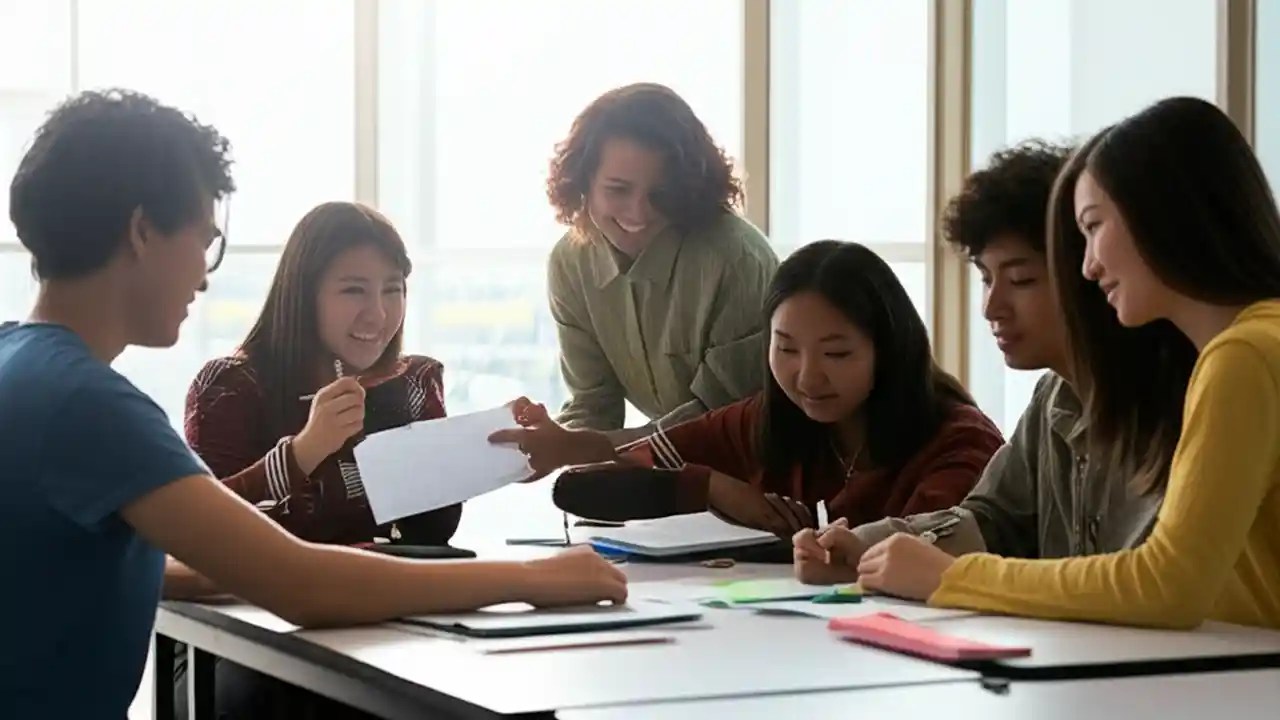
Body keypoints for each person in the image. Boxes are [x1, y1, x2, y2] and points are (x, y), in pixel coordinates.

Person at [0, 89, 626, 719]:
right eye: (203, 242)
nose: (204, 275)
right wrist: (533, 578)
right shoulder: (93, 406)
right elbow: (301, 585)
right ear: (141, 232)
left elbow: (89, 564)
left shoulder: (17, 366)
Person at [843, 97, 1280, 630]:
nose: (1089, 266)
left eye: (1094, 227)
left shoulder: (1242, 357)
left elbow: (1168, 584)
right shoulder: (1249, 345)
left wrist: (951, 578)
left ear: (1160, 216)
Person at [793, 139, 1175, 584]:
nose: (992, 307)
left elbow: (1146, 582)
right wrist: (865, 546)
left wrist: (956, 579)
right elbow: (990, 520)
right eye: (986, 278)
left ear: (1091, 269)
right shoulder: (1054, 397)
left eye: (1021, 280)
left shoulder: (1171, 399)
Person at [494, 241, 1003, 536]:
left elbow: (927, 552)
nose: (807, 377)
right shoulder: (768, 417)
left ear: (890, 349)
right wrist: (714, 488)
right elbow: (584, 486)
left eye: (837, 354)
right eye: (785, 348)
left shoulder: (957, 439)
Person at [185, 201, 461, 546]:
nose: (377, 314)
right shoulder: (230, 386)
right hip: (264, 598)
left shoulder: (413, 380)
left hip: (385, 592)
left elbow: (432, 533)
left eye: (393, 289)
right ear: (302, 294)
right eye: (353, 290)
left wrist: (477, 458)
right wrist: (305, 450)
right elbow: (202, 531)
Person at [545, 82, 778, 445]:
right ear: (582, 181)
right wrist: (550, 446)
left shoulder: (737, 261)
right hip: (668, 471)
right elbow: (592, 405)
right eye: (618, 190)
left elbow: (720, 422)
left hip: (761, 469)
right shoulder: (569, 263)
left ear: (688, 186)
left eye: (660, 194)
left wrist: (576, 449)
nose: (638, 213)